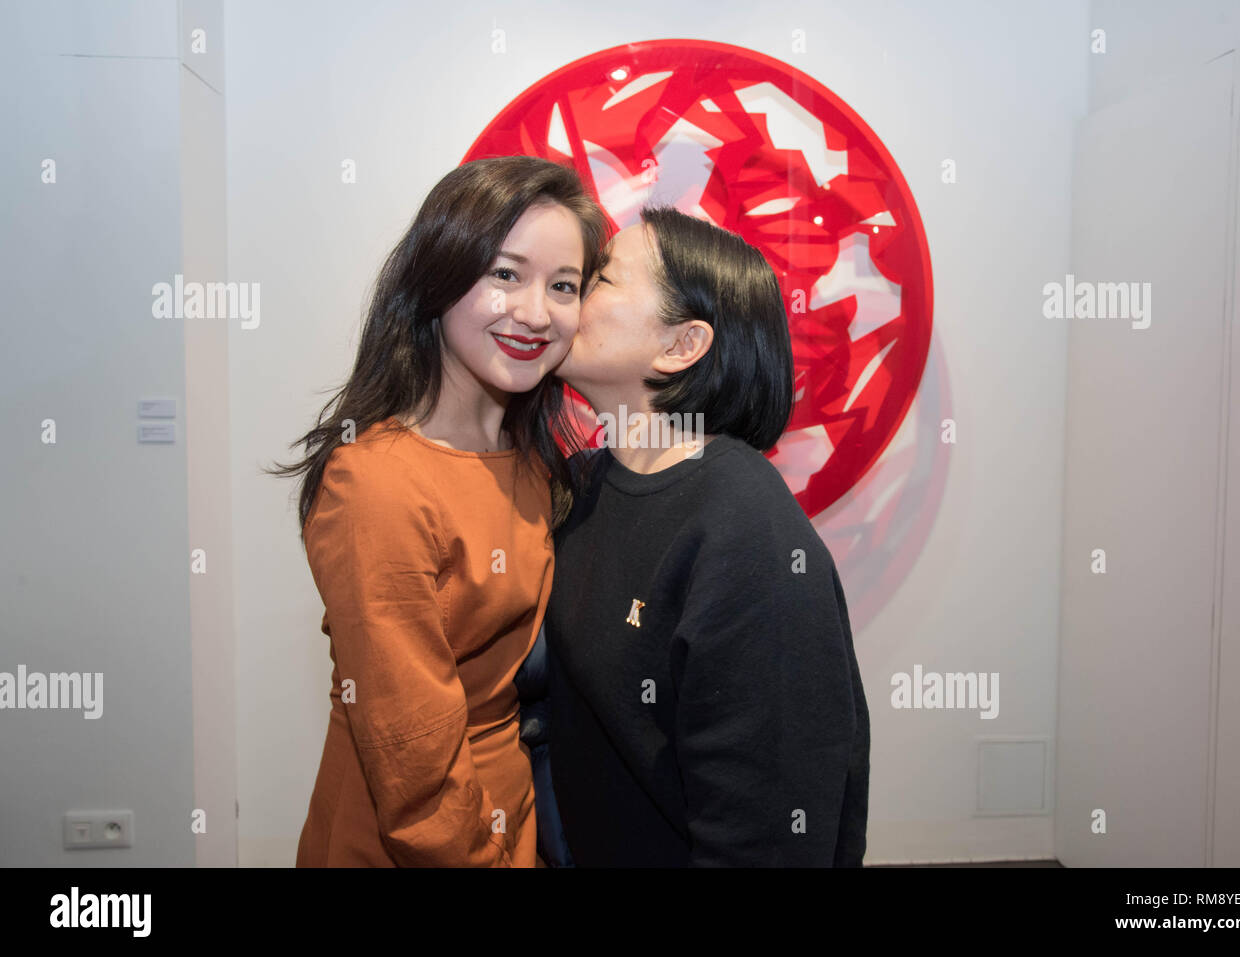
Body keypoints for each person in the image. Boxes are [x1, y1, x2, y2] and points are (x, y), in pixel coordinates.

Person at [269, 155, 608, 866]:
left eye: (564, 285)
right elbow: (413, 763)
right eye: (505, 274)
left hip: (512, 813)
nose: (536, 312)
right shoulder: (377, 480)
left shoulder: (535, 456)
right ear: (441, 274)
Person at [534, 204, 870, 866]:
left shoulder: (747, 532)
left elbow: (766, 836)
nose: (564, 297)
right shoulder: (580, 486)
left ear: (680, 345)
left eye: (601, 278)